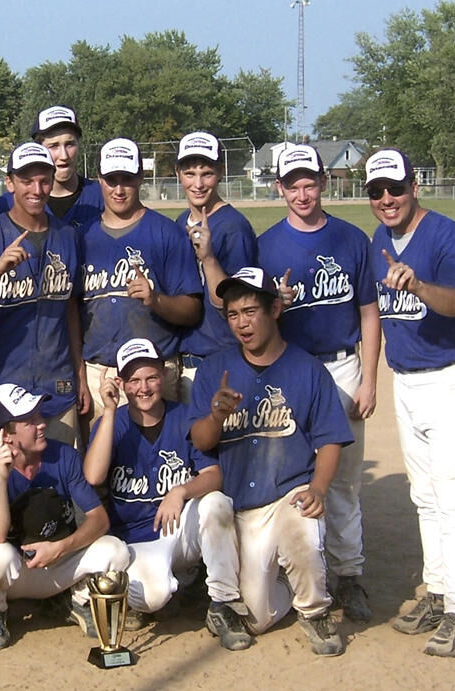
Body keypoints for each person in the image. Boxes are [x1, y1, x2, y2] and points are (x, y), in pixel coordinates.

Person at [364, 148, 455, 658]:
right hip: (408, 380)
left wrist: (417, 284)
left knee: (452, 496)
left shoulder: (445, 235)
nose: (387, 198)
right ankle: (438, 592)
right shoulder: (380, 239)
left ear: (414, 187)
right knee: (424, 496)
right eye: (376, 191)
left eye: (395, 188)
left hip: (451, 377)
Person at [190, 267, 353, 657]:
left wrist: (318, 488)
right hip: (237, 508)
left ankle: (315, 610)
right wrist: (216, 416)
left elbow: (330, 439)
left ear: (275, 309)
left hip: (285, 495)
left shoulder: (307, 369)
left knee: (303, 519)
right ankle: (253, 590)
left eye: (250, 311)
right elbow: (200, 440)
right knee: (256, 617)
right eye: (233, 314)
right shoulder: (214, 370)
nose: (241, 323)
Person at [256, 143, 380, 623]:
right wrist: (277, 306)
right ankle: (298, 572)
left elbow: (368, 312)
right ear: (280, 189)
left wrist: (369, 380)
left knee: (343, 480)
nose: (303, 194)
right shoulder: (267, 246)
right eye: (293, 186)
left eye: (310, 184)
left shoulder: (351, 239)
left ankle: (349, 574)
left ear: (323, 183)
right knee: (289, 474)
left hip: (343, 367)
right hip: (291, 370)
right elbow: (253, 322)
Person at [83, 338, 250, 649]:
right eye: (134, 380)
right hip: (136, 543)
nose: (143, 388)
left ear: (164, 375)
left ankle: (223, 603)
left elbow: (214, 475)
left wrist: (181, 491)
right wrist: (109, 411)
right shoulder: (112, 423)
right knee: (153, 598)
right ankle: (176, 583)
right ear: (121, 383)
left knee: (216, 503)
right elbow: (93, 476)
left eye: (151, 377)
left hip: (178, 533)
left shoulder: (183, 416)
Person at [0, 383, 131, 649]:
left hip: (59, 562)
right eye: (30, 422)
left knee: (115, 550)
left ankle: (73, 601)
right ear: (6, 435)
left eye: (39, 416)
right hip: (16, 572)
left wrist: (61, 548)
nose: (42, 424)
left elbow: (99, 519)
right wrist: (1, 479)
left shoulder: (64, 455)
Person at [0, 142, 90, 446]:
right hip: (3, 391)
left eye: (44, 180)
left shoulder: (67, 236)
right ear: (10, 183)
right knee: (3, 475)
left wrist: (80, 373)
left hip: (57, 387)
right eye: (27, 181)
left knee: (61, 473)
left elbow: (70, 308)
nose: (37, 189)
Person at [80, 137, 201, 419]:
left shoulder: (166, 233)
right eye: (111, 180)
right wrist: (79, 375)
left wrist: (156, 300)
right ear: (99, 179)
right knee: (99, 449)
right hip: (99, 373)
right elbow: (70, 312)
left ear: (141, 177)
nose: (119, 189)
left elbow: (193, 310)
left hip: (155, 372)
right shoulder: (82, 236)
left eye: (127, 179)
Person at [173, 131, 258, 399]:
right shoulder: (179, 223)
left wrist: (209, 258)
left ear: (220, 172)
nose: (198, 183)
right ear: (178, 174)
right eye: (190, 173)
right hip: (188, 358)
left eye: (207, 173)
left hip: (223, 358)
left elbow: (233, 305)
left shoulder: (233, 227)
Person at [0, 106, 103, 230]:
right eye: (53, 146)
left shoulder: (101, 198)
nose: (64, 155)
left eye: (70, 144)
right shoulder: (8, 204)